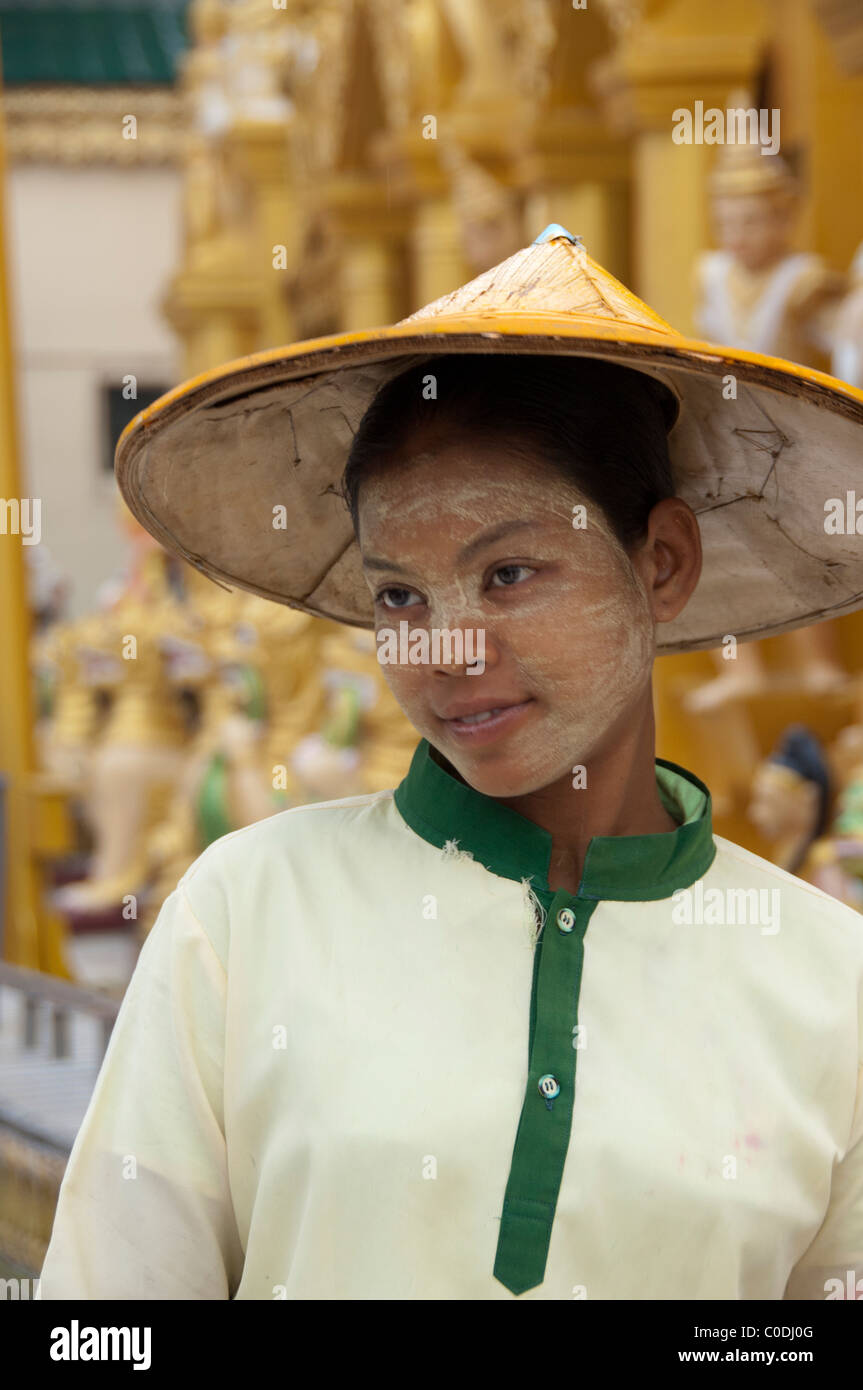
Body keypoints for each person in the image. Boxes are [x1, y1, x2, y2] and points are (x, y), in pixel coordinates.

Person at [38, 226, 863, 1299]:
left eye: (508, 573)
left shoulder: (829, 979)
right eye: (398, 596)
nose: (446, 650)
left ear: (660, 563)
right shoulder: (246, 911)